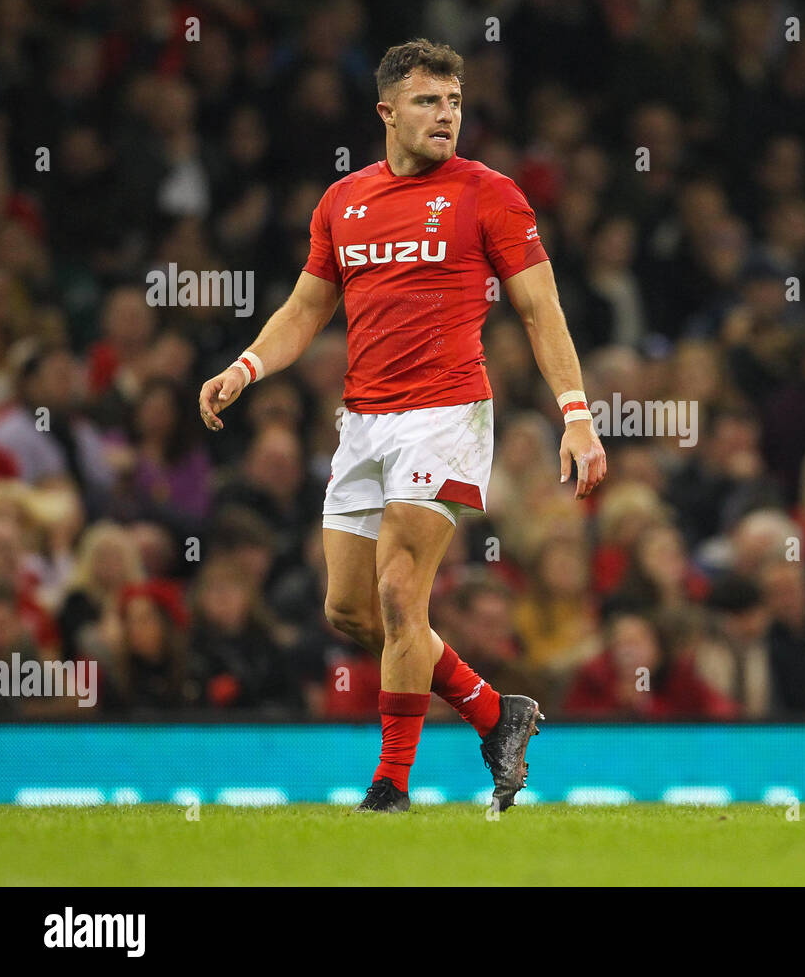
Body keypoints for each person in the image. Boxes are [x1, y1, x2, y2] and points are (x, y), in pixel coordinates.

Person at [198, 40, 607, 813]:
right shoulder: (341, 202)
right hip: (364, 421)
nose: (445, 115)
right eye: (427, 101)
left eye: (454, 101)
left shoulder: (489, 193)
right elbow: (305, 310)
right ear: (386, 111)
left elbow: (538, 307)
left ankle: (389, 787)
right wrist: (245, 367)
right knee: (348, 610)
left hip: (448, 411)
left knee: (397, 591)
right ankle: (494, 712)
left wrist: (577, 416)